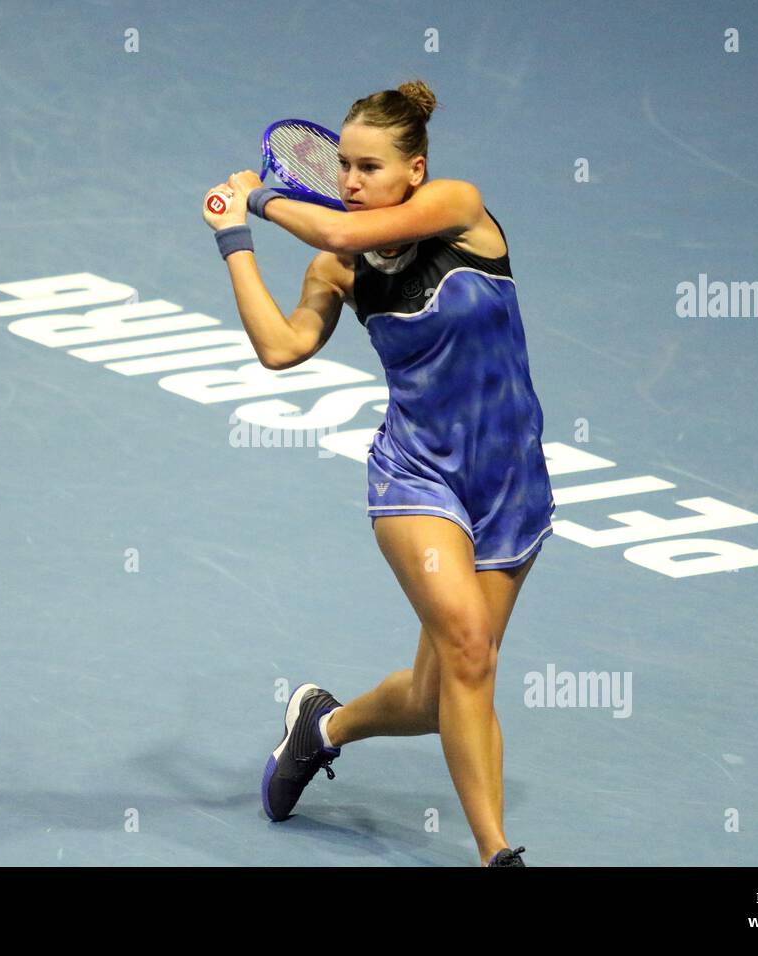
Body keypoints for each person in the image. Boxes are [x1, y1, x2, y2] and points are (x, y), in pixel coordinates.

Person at [202, 79, 556, 868]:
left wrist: (258, 198)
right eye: (343, 168)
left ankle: (320, 728)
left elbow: (334, 225)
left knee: (439, 696)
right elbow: (283, 347)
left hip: (510, 483)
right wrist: (235, 245)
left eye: (367, 168)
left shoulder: (460, 210)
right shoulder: (337, 267)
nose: (351, 182)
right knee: (470, 649)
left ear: (415, 171)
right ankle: (498, 855)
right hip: (416, 477)